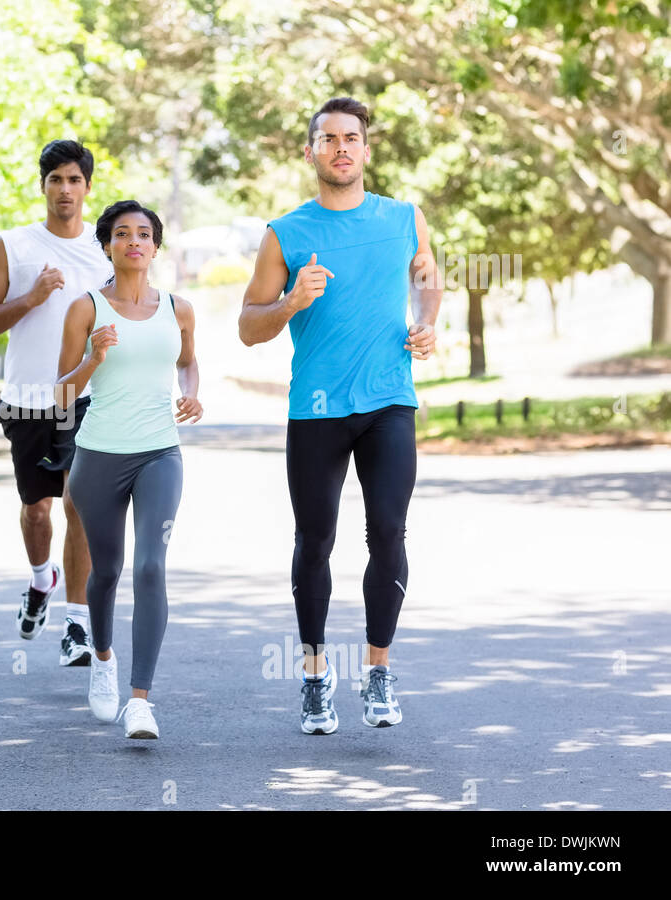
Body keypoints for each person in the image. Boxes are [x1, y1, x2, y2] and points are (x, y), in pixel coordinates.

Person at [239, 97, 441, 735]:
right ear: (310, 152)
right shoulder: (286, 233)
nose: (341, 148)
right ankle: (315, 677)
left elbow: (427, 276)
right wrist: (292, 300)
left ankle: (378, 670)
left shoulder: (405, 217)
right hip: (318, 409)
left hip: (388, 402)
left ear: (367, 148)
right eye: (328, 139)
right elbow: (248, 327)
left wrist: (427, 321)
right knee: (315, 541)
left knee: (388, 531)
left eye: (351, 137)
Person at [56, 200, 202, 740]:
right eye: (122, 234)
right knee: (107, 572)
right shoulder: (85, 308)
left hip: (160, 453)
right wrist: (93, 358)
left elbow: (187, 360)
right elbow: (61, 393)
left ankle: (140, 700)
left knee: (150, 568)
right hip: (97, 458)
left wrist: (192, 393)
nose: (134, 242)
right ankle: (102, 656)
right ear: (108, 246)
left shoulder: (179, 309)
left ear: (156, 247)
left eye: (144, 234)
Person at [0, 140, 113, 667]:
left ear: (88, 188)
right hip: (28, 399)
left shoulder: (106, 251)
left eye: (75, 180)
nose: (65, 189)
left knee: (78, 502)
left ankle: (77, 626)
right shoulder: (14, 245)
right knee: (38, 510)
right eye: (56, 179)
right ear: (43, 186)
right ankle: (40, 579)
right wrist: (31, 297)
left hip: (87, 395)